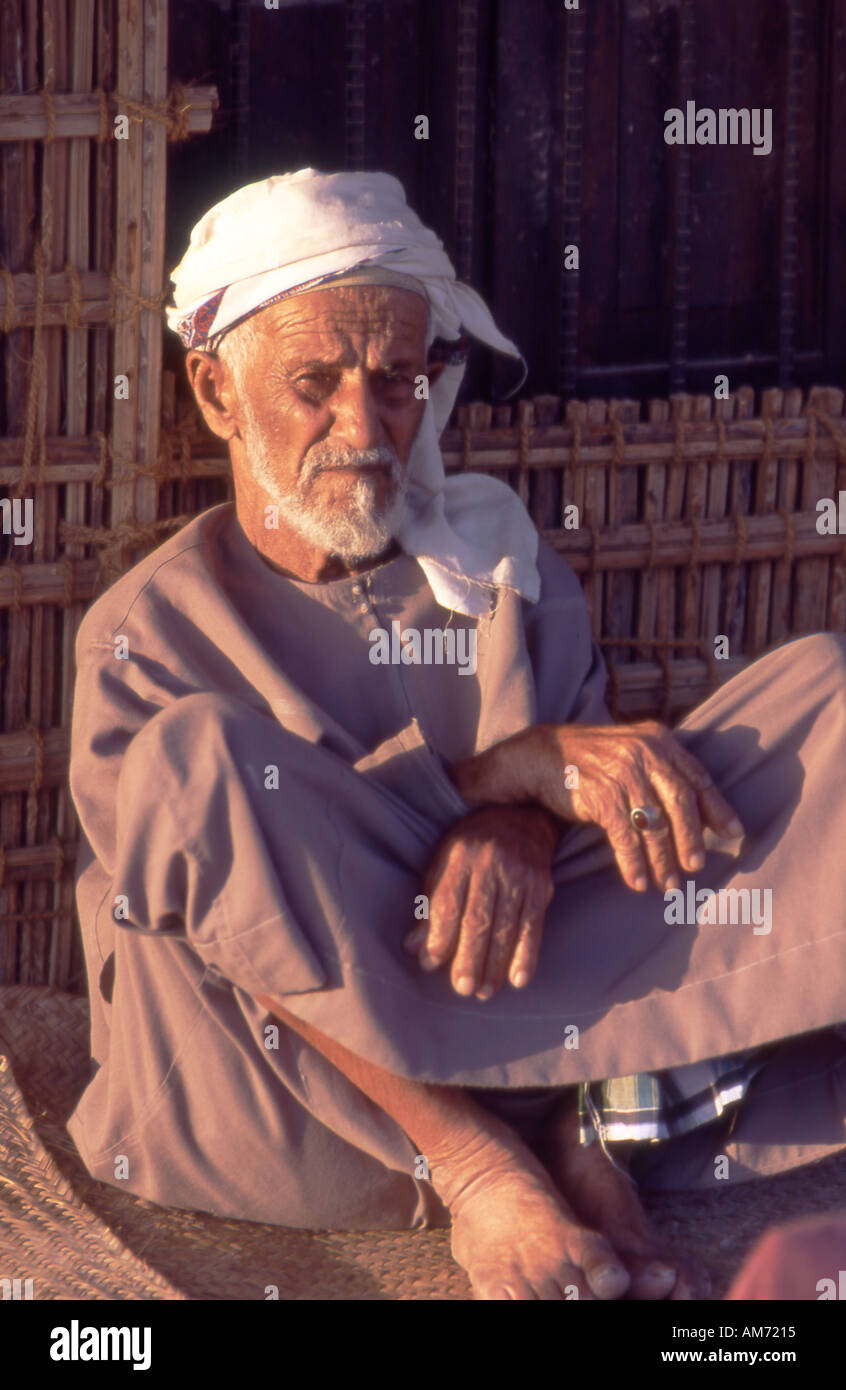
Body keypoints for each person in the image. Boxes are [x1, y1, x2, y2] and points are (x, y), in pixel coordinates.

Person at [67, 168, 846, 1301]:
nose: (365, 426)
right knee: (203, 765)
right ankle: (489, 1169)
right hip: (291, 1102)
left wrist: (521, 820)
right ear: (215, 393)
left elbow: (601, 841)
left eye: (397, 382)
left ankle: (589, 1131)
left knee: (823, 698)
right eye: (314, 383)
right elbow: (212, 906)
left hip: (526, 999)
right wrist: (493, 781)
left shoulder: (494, 566)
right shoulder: (145, 634)